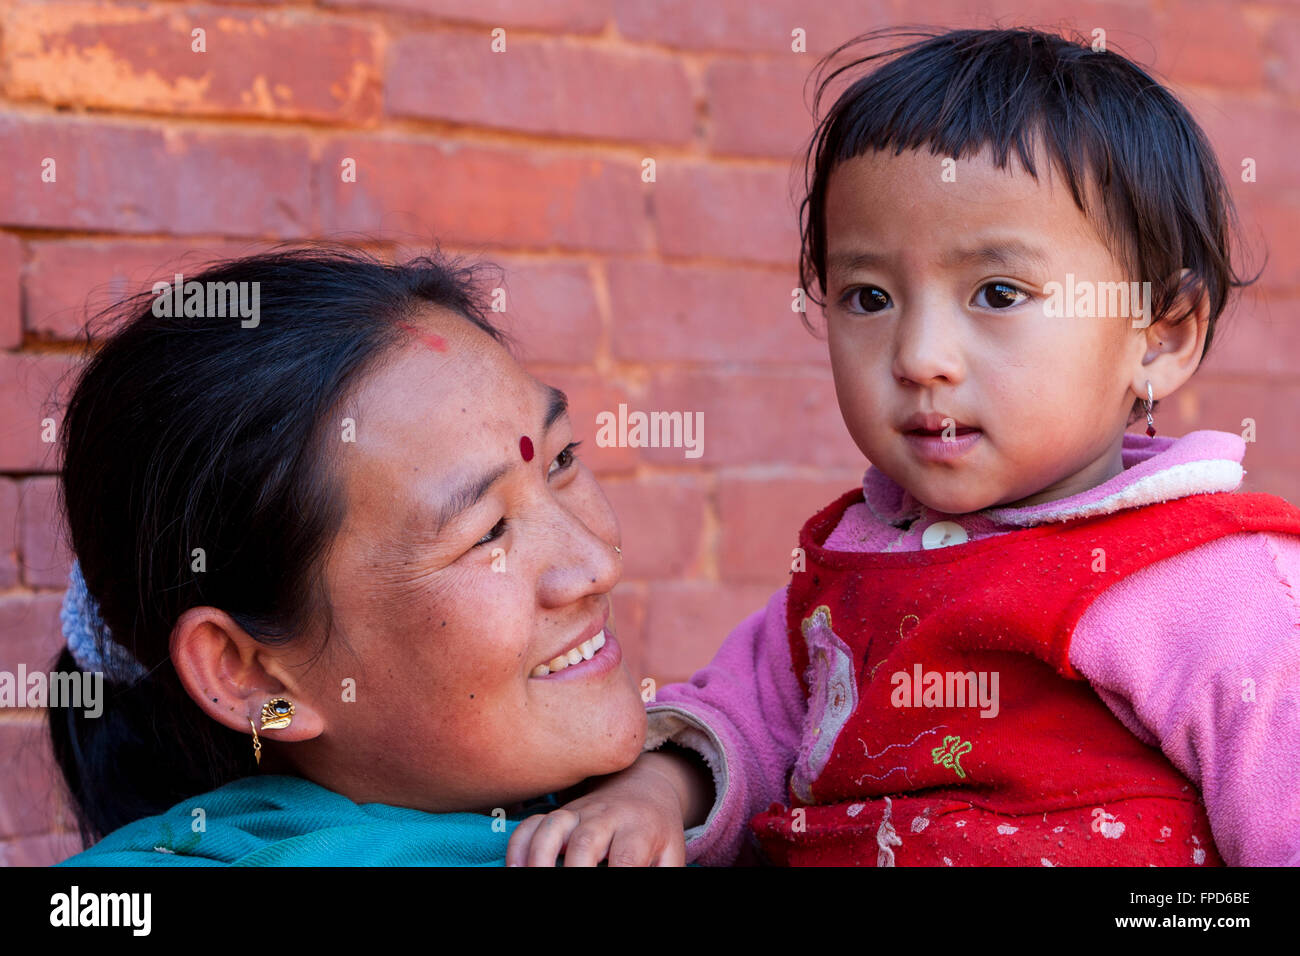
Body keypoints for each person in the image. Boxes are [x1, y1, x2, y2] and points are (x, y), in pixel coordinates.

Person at [507, 26, 1300, 867]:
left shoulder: (1212, 586)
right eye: (869, 295)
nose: (920, 356)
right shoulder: (848, 569)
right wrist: (655, 796)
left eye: (998, 292)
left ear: (1161, 336)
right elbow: (741, 723)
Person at [48, 244, 661, 865]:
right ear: (251, 675)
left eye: (559, 459)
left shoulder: (671, 791)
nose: (597, 564)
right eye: (488, 532)